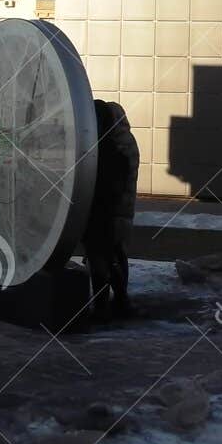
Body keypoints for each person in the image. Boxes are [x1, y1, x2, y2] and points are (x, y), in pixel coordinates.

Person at [83, 99, 139, 318]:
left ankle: (103, 308)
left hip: (106, 213)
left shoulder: (111, 147)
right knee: (114, 255)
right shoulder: (123, 141)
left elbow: (105, 184)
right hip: (118, 212)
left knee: (101, 258)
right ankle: (119, 302)